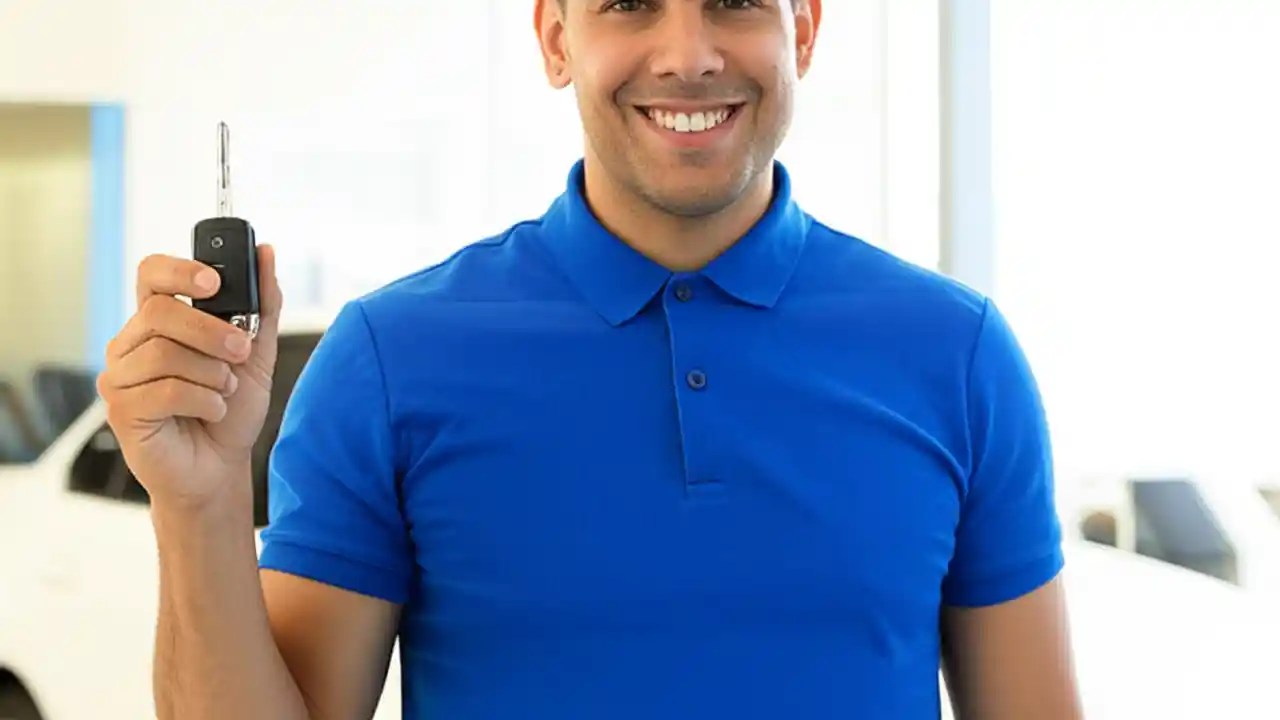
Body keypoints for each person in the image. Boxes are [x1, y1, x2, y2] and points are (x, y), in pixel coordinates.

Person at [98, 1, 1084, 718]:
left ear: (806, 30)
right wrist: (203, 501)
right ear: (556, 39)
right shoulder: (390, 358)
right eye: (629, 6)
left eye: (734, 4)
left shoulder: (955, 354)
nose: (687, 55)